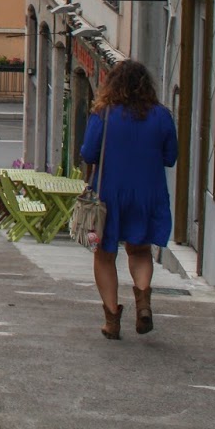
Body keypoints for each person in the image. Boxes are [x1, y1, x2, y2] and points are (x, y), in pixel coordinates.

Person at [79, 60, 178, 340]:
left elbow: (88, 153)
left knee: (105, 255)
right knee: (140, 250)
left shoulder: (104, 115)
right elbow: (170, 157)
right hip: (148, 192)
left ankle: (112, 320)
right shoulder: (162, 116)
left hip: (110, 192)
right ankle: (143, 300)